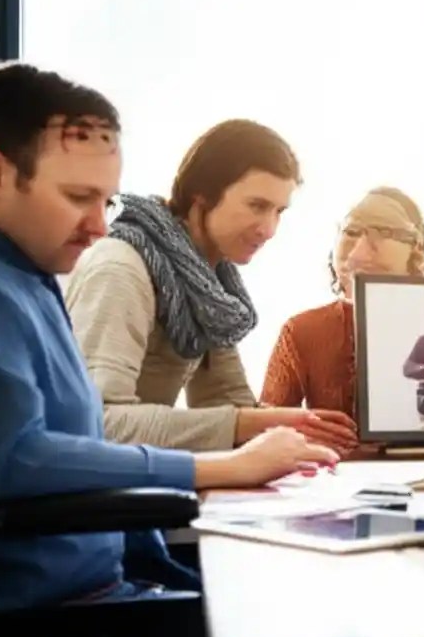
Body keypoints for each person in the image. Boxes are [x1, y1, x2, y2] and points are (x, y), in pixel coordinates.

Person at [0, 62, 337, 637]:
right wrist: (220, 467)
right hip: (53, 613)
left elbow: (86, 434)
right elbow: (13, 460)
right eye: (78, 198)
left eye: (106, 201)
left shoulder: (28, 276)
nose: (98, 225)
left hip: (106, 579)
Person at [63, 118, 358, 457]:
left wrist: (308, 432)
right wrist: (254, 424)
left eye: (279, 211)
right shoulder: (121, 269)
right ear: (201, 197)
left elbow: (224, 400)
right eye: (257, 206)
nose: (269, 229)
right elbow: (97, 424)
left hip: (135, 475)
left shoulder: (206, 281)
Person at [262, 186, 424, 419]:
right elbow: (267, 425)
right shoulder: (303, 330)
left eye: (384, 232)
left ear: (416, 249)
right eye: (351, 232)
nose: (360, 250)